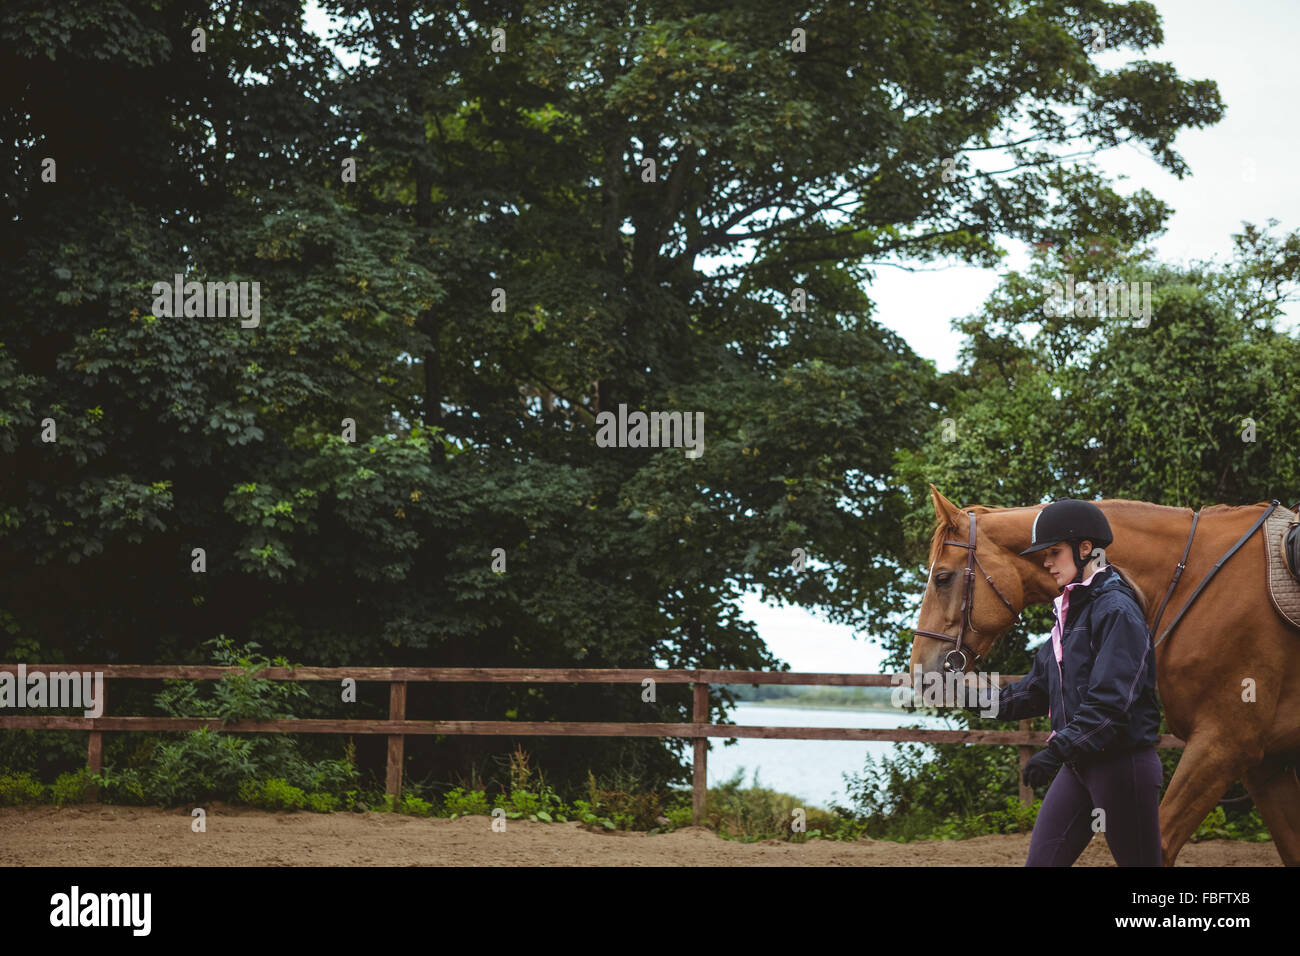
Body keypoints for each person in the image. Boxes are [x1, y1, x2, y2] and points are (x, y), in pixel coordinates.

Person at [971, 498, 1163, 866]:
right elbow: (1033, 691)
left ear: (1086, 549)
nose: (1046, 562)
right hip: (1079, 765)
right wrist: (963, 696)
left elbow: (1111, 703)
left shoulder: (1116, 611)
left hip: (1122, 769)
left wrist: (1056, 751)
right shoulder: (1072, 612)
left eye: (1054, 552)